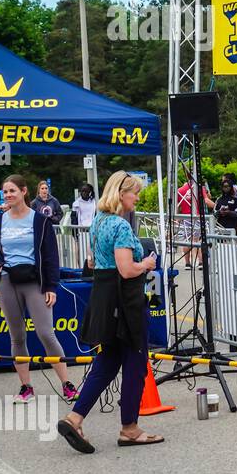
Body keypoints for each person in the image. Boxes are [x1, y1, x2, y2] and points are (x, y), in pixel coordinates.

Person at [57, 171, 163, 453]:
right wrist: (148, 264)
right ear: (121, 193)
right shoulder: (120, 226)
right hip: (125, 301)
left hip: (104, 297)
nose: (137, 198)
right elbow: (127, 269)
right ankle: (130, 428)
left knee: (106, 363)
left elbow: (92, 262)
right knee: (135, 364)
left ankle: (75, 417)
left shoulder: (98, 222)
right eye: (134, 192)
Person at [0, 175, 77, 404]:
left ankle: (67, 384)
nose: (8, 195)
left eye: (12, 191)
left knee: (46, 333)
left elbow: (50, 256)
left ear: (24, 191)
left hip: (34, 281)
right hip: (8, 281)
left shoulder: (39, 221)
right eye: (5, 192)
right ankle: (26, 387)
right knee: (16, 335)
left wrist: (51, 286)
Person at [175, 176, 214, 267]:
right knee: (198, 240)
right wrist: (217, 207)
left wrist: (177, 218)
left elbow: (177, 206)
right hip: (197, 217)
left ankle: (187, 263)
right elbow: (207, 201)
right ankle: (200, 262)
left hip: (185, 217)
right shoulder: (200, 188)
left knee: (186, 240)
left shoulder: (180, 190)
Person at [223, 173, 237, 237]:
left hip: (235, 212)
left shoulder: (232, 189)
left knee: (232, 236)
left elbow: (231, 202)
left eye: (224, 180)